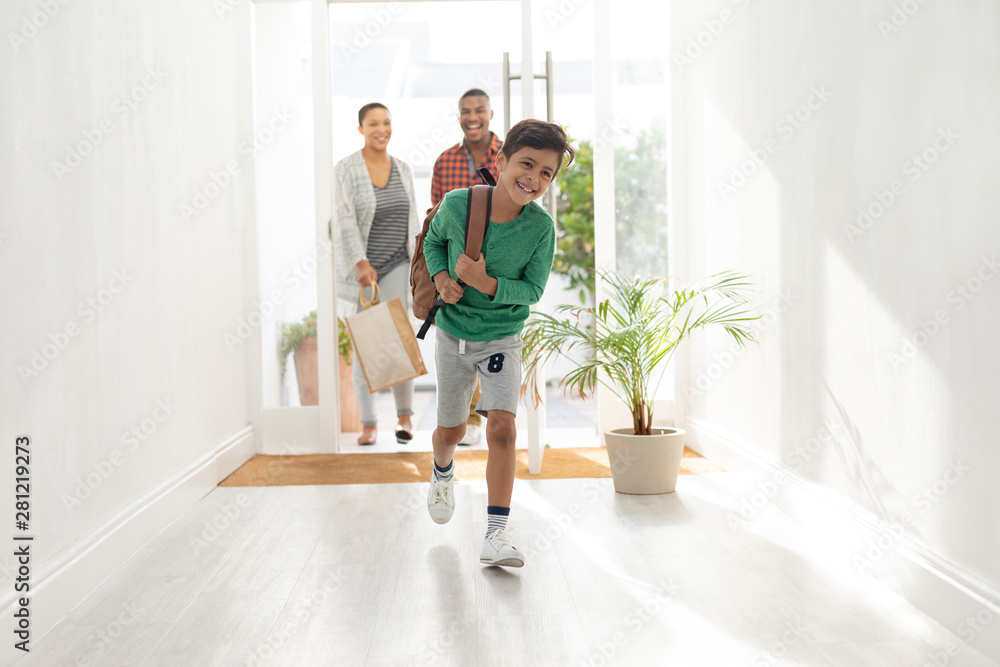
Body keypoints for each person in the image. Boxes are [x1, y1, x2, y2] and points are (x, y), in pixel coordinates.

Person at [422, 119, 575, 567]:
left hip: (502, 339)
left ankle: (496, 533)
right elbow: (433, 243)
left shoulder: (540, 229)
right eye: (526, 164)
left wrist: (485, 282)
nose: (534, 178)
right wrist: (444, 278)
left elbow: (532, 291)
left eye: (546, 173)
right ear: (502, 160)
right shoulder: (457, 205)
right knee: (450, 431)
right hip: (453, 334)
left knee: (503, 429)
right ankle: (442, 470)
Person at [333, 102, 420, 446]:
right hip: (362, 272)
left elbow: (413, 218)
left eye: (386, 122)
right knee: (365, 342)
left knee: (400, 339)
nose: (381, 129)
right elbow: (344, 220)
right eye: (373, 124)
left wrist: (418, 265)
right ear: (360, 129)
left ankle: (405, 419)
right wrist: (360, 263)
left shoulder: (404, 168)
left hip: (398, 263)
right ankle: (369, 423)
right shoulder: (345, 169)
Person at [430, 88, 504, 447]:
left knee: (491, 339)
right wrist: (441, 275)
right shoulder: (445, 162)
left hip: (496, 266)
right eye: (464, 111)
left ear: (491, 113)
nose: (472, 117)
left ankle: (482, 419)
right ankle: (460, 420)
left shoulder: (508, 156)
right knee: (457, 342)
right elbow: (434, 224)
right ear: (458, 115)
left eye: (479, 110)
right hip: (455, 268)